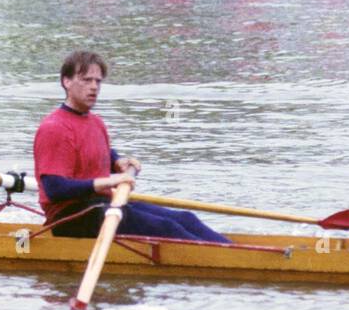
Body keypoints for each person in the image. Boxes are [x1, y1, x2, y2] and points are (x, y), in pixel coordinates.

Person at [33, 50, 231, 243]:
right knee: (167, 228)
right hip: (71, 218)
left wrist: (118, 161)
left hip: (99, 204)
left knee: (186, 218)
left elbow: (99, 152)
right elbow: (55, 188)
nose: (94, 87)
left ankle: (233, 252)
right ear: (66, 82)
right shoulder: (54, 128)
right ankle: (226, 262)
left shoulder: (95, 122)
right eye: (86, 80)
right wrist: (109, 182)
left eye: (98, 81)